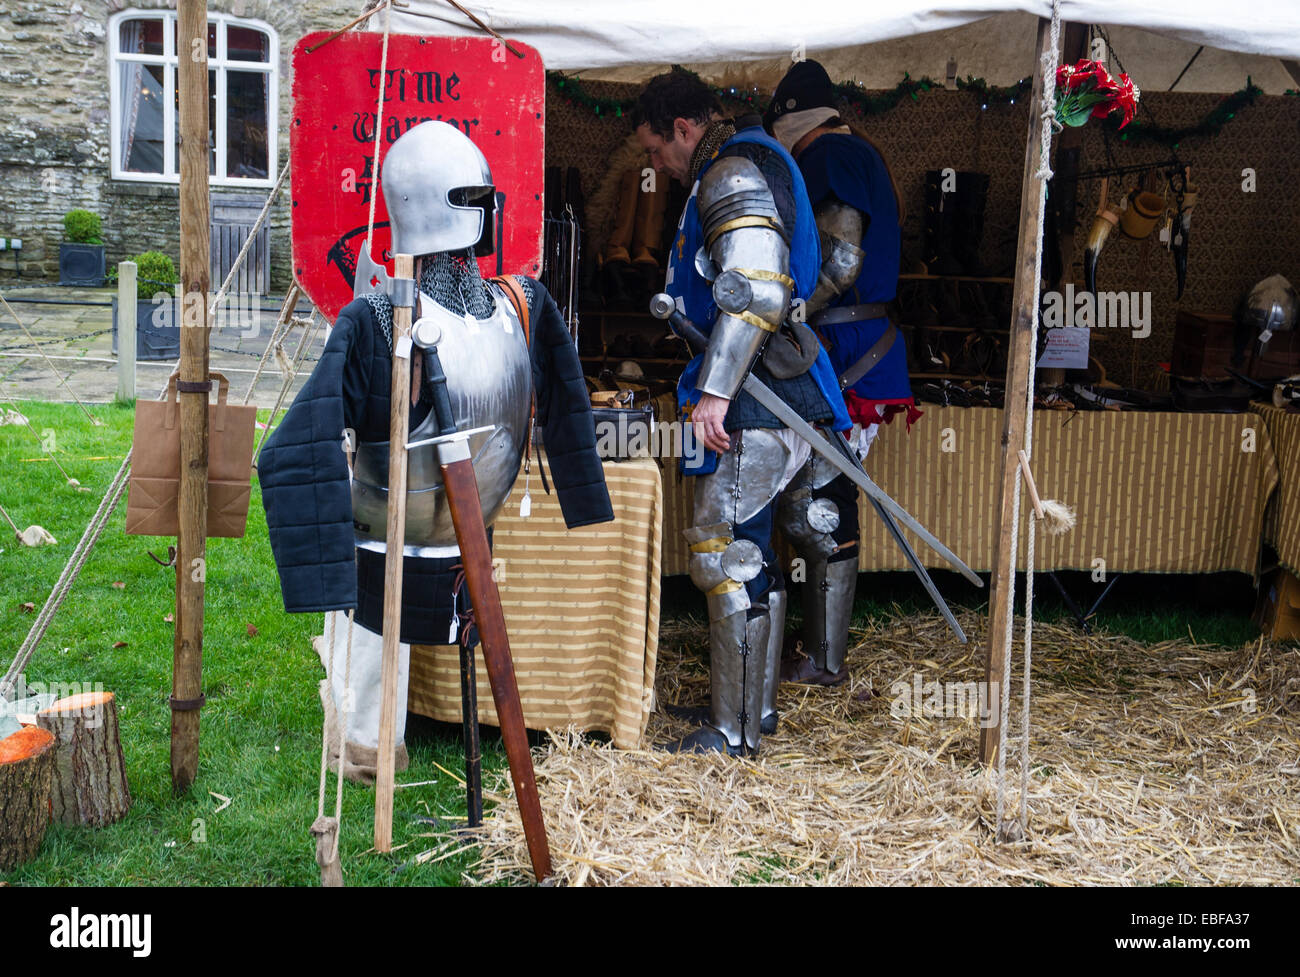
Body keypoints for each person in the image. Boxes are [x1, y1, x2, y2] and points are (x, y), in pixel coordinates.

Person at [260, 121, 611, 779]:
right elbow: (297, 444)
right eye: (473, 201)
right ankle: (365, 748)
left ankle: (376, 730)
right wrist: (322, 568)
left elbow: (567, 400)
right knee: (370, 635)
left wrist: (581, 492)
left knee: (400, 636)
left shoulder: (521, 304)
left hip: (466, 535)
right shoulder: (378, 319)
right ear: (444, 205)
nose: (486, 215)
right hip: (385, 536)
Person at [633, 70, 851, 755]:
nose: (659, 167)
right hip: (785, 391)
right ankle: (750, 710)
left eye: (658, 151)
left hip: (758, 394)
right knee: (750, 550)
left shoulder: (731, 169)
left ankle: (731, 733)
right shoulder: (751, 156)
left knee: (723, 554)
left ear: (684, 128)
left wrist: (719, 389)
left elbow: (755, 286)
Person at [763, 60, 921, 687]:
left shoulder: (829, 154)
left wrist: (784, 311)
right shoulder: (854, 149)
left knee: (817, 508)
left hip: (844, 352)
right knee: (812, 501)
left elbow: (842, 256)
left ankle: (824, 659)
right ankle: (813, 649)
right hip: (846, 347)